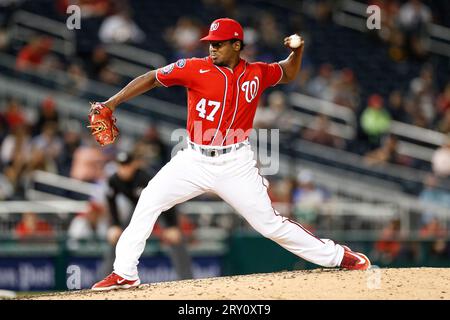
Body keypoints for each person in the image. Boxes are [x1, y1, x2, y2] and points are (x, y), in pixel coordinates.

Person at [92, 18, 371, 291]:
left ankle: (338, 256)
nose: (212, 48)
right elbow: (152, 78)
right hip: (194, 158)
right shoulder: (193, 68)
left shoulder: (256, 73)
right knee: (150, 199)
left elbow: (288, 73)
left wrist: (296, 51)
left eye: (219, 43)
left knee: (270, 225)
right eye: (210, 43)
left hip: (235, 163)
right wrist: (111, 103)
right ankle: (124, 273)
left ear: (237, 45)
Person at [100, 151, 193, 280]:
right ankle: (109, 277)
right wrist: (114, 225)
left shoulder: (145, 177)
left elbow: (165, 196)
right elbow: (111, 203)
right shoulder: (114, 180)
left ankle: (186, 278)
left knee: (175, 238)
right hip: (138, 208)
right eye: (121, 166)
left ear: (134, 164)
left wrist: (172, 225)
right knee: (117, 236)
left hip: (161, 206)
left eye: (127, 165)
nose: (124, 169)